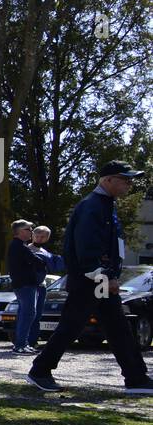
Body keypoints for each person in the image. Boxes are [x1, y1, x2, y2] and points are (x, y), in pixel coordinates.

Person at [28, 161, 153, 395]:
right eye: (124, 179)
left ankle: (136, 378)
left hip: (99, 281)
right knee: (71, 327)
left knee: (118, 328)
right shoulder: (92, 206)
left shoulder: (105, 205)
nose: (129, 183)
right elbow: (87, 249)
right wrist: (106, 276)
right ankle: (40, 371)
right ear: (107, 180)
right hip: (91, 281)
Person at [5, 219, 41, 354]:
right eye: (28, 229)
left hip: (24, 285)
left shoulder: (19, 246)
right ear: (20, 231)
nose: (31, 231)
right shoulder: (19, 246)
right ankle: (20, 345)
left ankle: (22, 344)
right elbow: (36, 261)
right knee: (28, 313)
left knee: (25, 313)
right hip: (25, 285)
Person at [27, 225, 65, 349]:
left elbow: (55, 267)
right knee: (28, 314)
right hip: (29, 286)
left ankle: (33, 341)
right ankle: (24, 341)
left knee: (37, 315)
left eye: (42, 237)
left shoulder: (46, 252)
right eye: (37, 236)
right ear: (33, 236)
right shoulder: (27, 250)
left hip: (41, 285)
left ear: (47, 238)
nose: (39, 239)